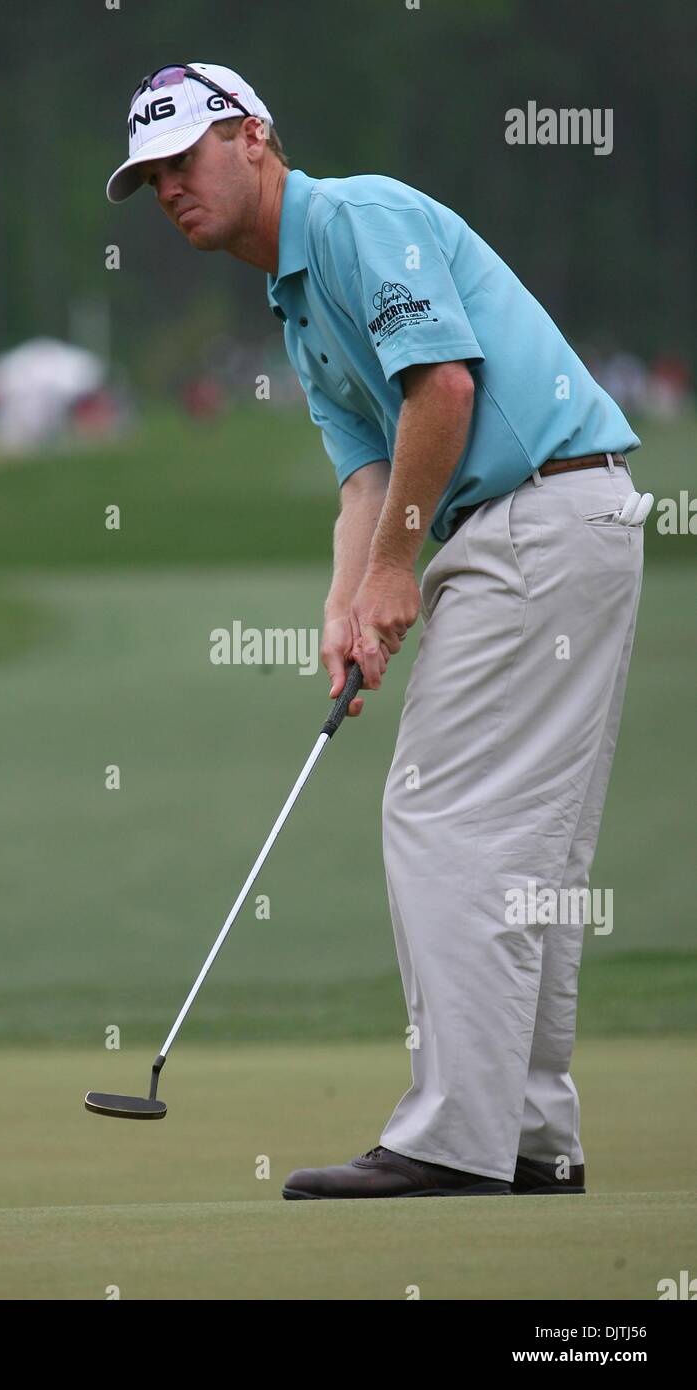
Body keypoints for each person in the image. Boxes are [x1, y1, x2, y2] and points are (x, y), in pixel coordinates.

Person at [106, 62, 652, 1199]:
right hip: (554, 523)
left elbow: (441, 390)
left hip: (534, 518)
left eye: (184, 156)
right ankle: (530, 1140)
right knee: (534, 854)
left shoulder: (355, 221)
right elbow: (364, 474)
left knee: (441, 812)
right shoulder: (293, 301)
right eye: (150, 174)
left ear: (252, 135)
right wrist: (348, 602)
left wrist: (400, 568)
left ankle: (456, 1138)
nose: (168, 187)